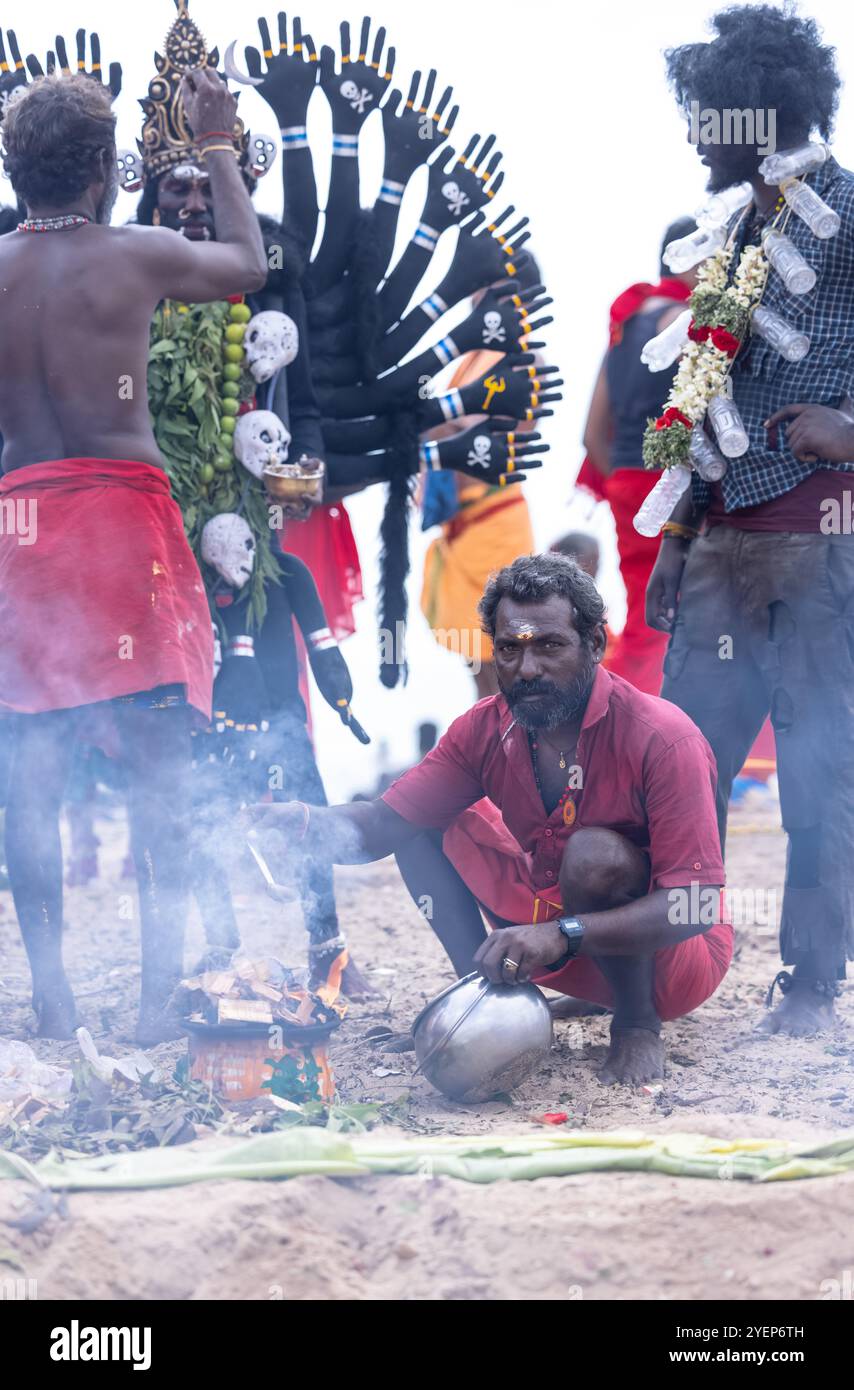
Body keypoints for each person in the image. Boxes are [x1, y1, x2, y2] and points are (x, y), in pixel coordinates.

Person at [0, 65, 266, 1040]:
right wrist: (218, 140)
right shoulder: (133, 254)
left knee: (26, 766)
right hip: (119, 519)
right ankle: (157, 1004)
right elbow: (245, 260)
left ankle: (51, 995)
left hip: (19, 523)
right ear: (107, 174)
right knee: (161, 765)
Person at [251, 554, 731, 1085]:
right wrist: (301, 825)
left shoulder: (663, 737)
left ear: (595, 644)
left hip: (671, 963)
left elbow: (696, 905)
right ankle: (487, 1000)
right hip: (548, 938)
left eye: (549, 646)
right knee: (422, 821)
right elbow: (382, 825)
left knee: (594, 856)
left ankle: (637, 1024)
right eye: (509, 649)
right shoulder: (482, 728)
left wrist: (561, 934)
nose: (527, 670)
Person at [646, 4, 854, 1036]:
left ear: (753, 110)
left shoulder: (850, 212)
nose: (689, 134)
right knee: (688, 759)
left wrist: (849, 427)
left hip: (822, 543)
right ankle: (675, 965)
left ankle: (811, 986)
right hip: (722, 540)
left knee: (819, 763)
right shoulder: (727, 232)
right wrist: (677, 536)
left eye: (699, 113)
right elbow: (702, 393)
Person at [580, 219, 698, 695]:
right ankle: (652, 734)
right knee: (687, 613)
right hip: (676, 486)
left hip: (626, 481)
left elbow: (591, 436)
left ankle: (623, 728)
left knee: (644, 610)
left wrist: (626, 483)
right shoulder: (692, 321)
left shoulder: (624, 327)